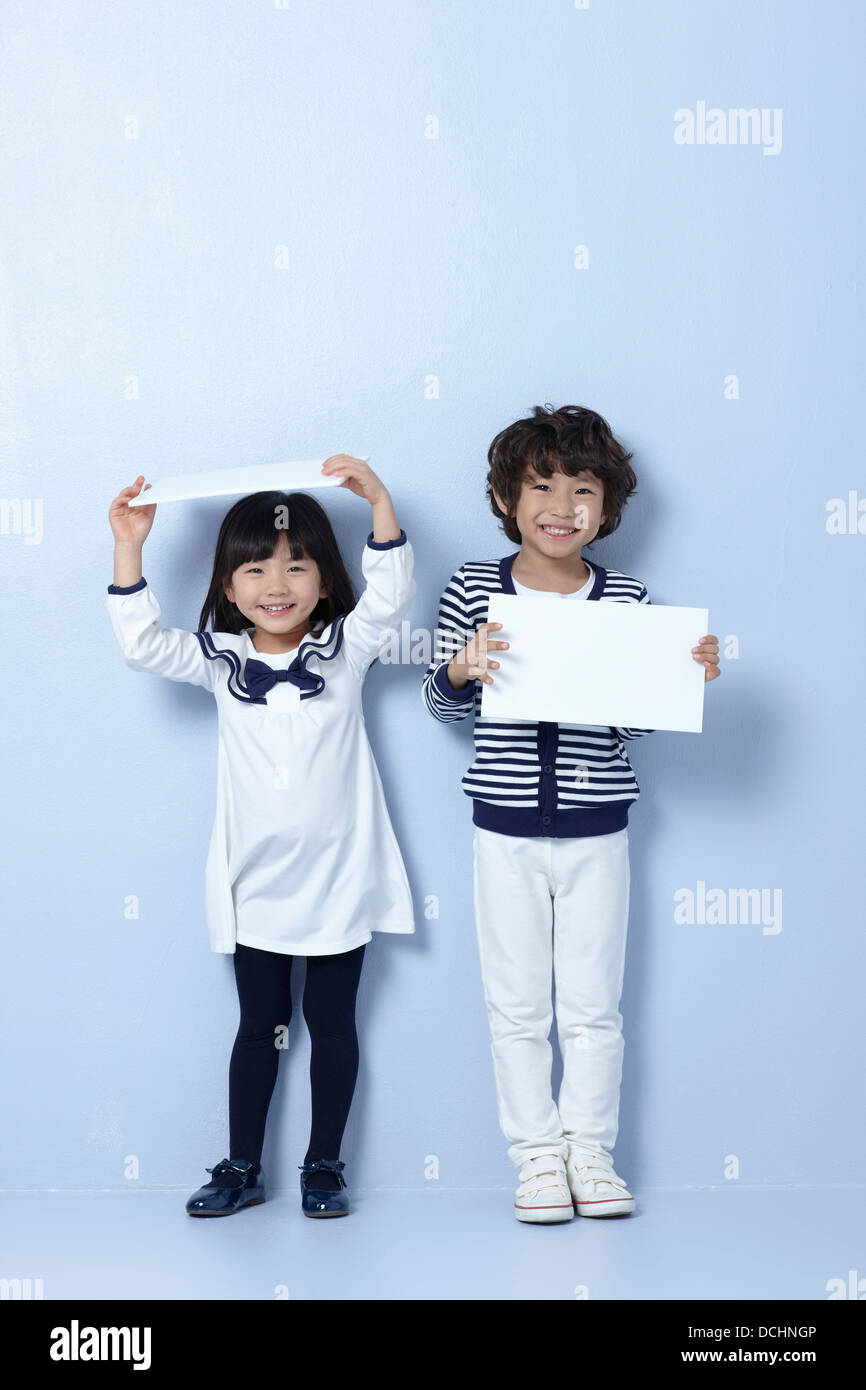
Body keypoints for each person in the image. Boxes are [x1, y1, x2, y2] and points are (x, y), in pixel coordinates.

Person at [422, 405, 720, 1224]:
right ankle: (536, 1161)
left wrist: (681, 679)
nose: (562, 504)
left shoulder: (624, 596)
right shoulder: (473, 589)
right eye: (541, 485)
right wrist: (459, 669)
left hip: (598, 831)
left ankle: (590, 1151)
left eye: (583, 488)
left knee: (593, 1005)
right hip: (504, 830)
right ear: (509, 499)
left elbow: (633, 722)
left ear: (607, 505)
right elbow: (442, 711)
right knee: (516, 1006)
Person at [106, 457, 417, 1219]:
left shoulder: (345, 650)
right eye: (256, 569)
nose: (276, 585)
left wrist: (379, 502)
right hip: (256, 886)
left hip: (339, 878)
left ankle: (324, 1166)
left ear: (323, 580)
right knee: (259, 1027)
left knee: (334, 1025)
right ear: (225, 586)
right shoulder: (220, 662)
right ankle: (243, 1165)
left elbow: (392, 599)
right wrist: (129, 547)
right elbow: (142, 645)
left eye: (296, 566)